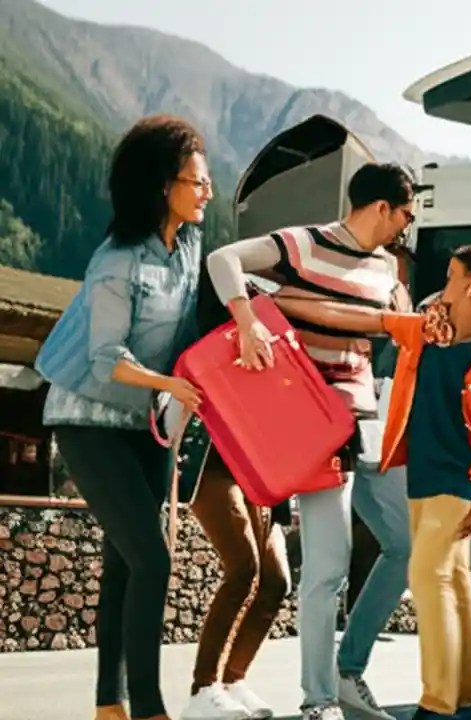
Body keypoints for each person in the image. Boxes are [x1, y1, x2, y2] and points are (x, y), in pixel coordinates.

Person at [204, 162, 415, 720]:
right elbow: (222, 259)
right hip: (315, 426)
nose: (407, 226)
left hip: (367, 421)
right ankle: (318, 700)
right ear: (382, 208)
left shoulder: (388, 268)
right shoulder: (305, 244)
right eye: (406, 214)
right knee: (328, 567)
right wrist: (247, 320)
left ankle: (348, 671)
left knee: (406, 542)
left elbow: (391, 331)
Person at [34, 115, 210, 720]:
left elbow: (189, 331)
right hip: (86, 419)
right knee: (153, 560)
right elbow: (107, 360)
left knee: (125, 564)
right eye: (197, 181)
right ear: (164, 185)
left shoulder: (189, 248)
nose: (207, 191)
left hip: (145, 424)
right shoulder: (116, 259)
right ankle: (150, 709)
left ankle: (109, 705)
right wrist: (170, 385)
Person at [380, 242, 471, 719]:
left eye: (451, 276)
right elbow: (383, 322)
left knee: (428, 576)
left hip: (457, 484)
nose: (443, 287)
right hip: (422, 479)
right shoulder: (429, 340)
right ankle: (467, 699)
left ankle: (436, 704)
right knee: (455, 583)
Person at [178, 270, 292, 720]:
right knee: (244, 568)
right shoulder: (214, 322)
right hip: (211, 464)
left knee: (276, 581)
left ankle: (233, 681)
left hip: (259, 467)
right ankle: (202, 689)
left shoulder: (273, 324)